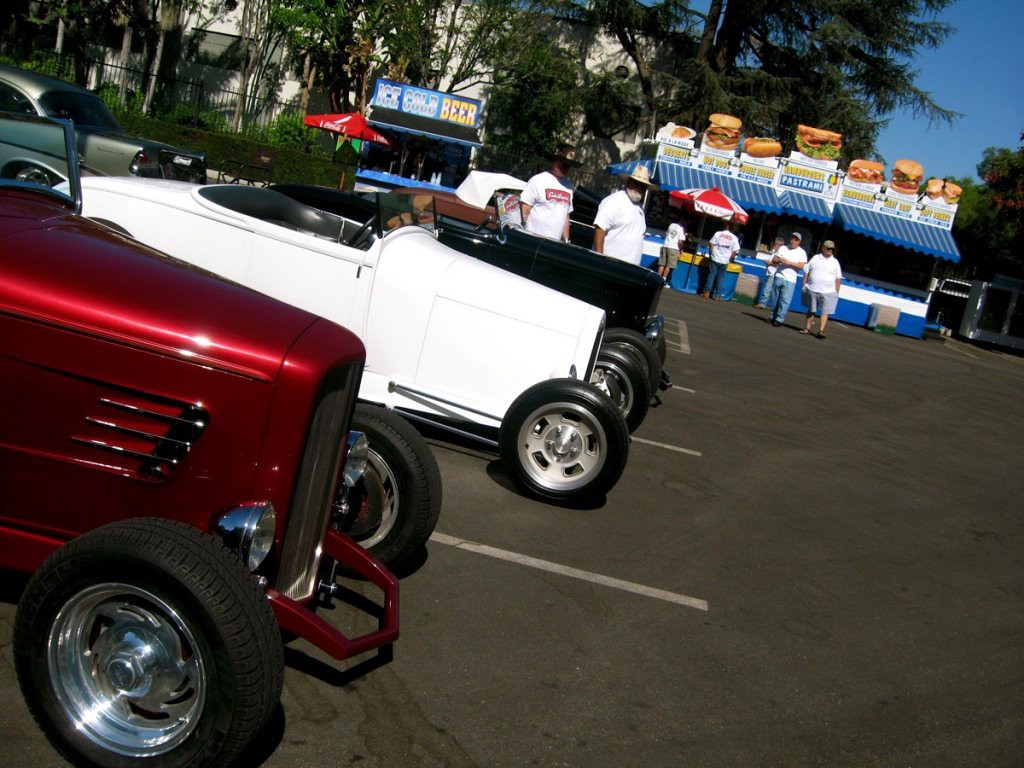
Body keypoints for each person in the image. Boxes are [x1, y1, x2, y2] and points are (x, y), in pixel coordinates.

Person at [592, 165, 659, 265]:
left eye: (643, 185)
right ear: (628, 182)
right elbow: (600, 229)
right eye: (636, 183)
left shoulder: (640, 209)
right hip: (610, 267)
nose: (639, 187)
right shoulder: (614, 201)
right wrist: (599, 262)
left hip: (629, 272)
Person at [520, 144, 579, 242]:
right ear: (554, 161)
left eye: (569, 166)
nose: (566, 168)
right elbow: (524, 210)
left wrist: (566, 240)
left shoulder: (569, 186)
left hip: (553, 245)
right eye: (563, 164)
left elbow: (565, 215)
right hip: (532, 241)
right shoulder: (538, 180)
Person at [801, 240, 843, 338]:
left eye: (832, 249)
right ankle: (807, 328)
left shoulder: (835, 262)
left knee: (825, 312)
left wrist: (837, 291)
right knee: (811, 310)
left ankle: (821, 331)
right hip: (812, 289)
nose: (830, 251)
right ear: (823, 248)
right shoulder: (815, 258)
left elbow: (839, 278)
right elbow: (807, 271)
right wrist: (804, 284)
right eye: (828, 248)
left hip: (828, 292)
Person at [767, 231, 808, 326]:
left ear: (799, 242)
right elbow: (774, 259)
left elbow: (802, 265)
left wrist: (789, 263)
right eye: (792, 238)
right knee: (774, 298)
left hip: (790, 279)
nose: (793, 241)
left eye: (796, 239)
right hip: (779, 275)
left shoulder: (802, 252)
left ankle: (779, 319)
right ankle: (773, 315)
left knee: (785, 300)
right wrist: (780, 260)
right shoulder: (783, 248)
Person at [702, 220, 741, 300]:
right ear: (732, 228)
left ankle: (707, 292)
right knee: (721, 278)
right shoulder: (734, 238)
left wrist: (712, 253)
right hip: (725, 260)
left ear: (726, 226)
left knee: (711, 275)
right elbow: (734, 251)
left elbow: (711, 244)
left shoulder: (718, 233)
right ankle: (718, 295)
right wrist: (731, 259)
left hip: (715, 258)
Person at [754, 236, 785, 308]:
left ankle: (763, 303)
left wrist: (768, 262)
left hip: (773, 273)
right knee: (770, 289)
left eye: (776, 244)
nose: (774, 245)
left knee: (768, 288)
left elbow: (778, 263)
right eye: (775, 243)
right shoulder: (775, 252)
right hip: (770, 272)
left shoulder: (781, 253)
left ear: (780, 245)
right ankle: (770, 304)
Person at [660, 210, 686, 280]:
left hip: (665, 245)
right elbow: (680, 242)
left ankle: (657, 279)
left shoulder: (671, 225)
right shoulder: (681, 228)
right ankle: (663, 280)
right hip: (673, 248)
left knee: (662, 264)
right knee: (668, 266)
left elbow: (666, 234)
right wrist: (681, 249)